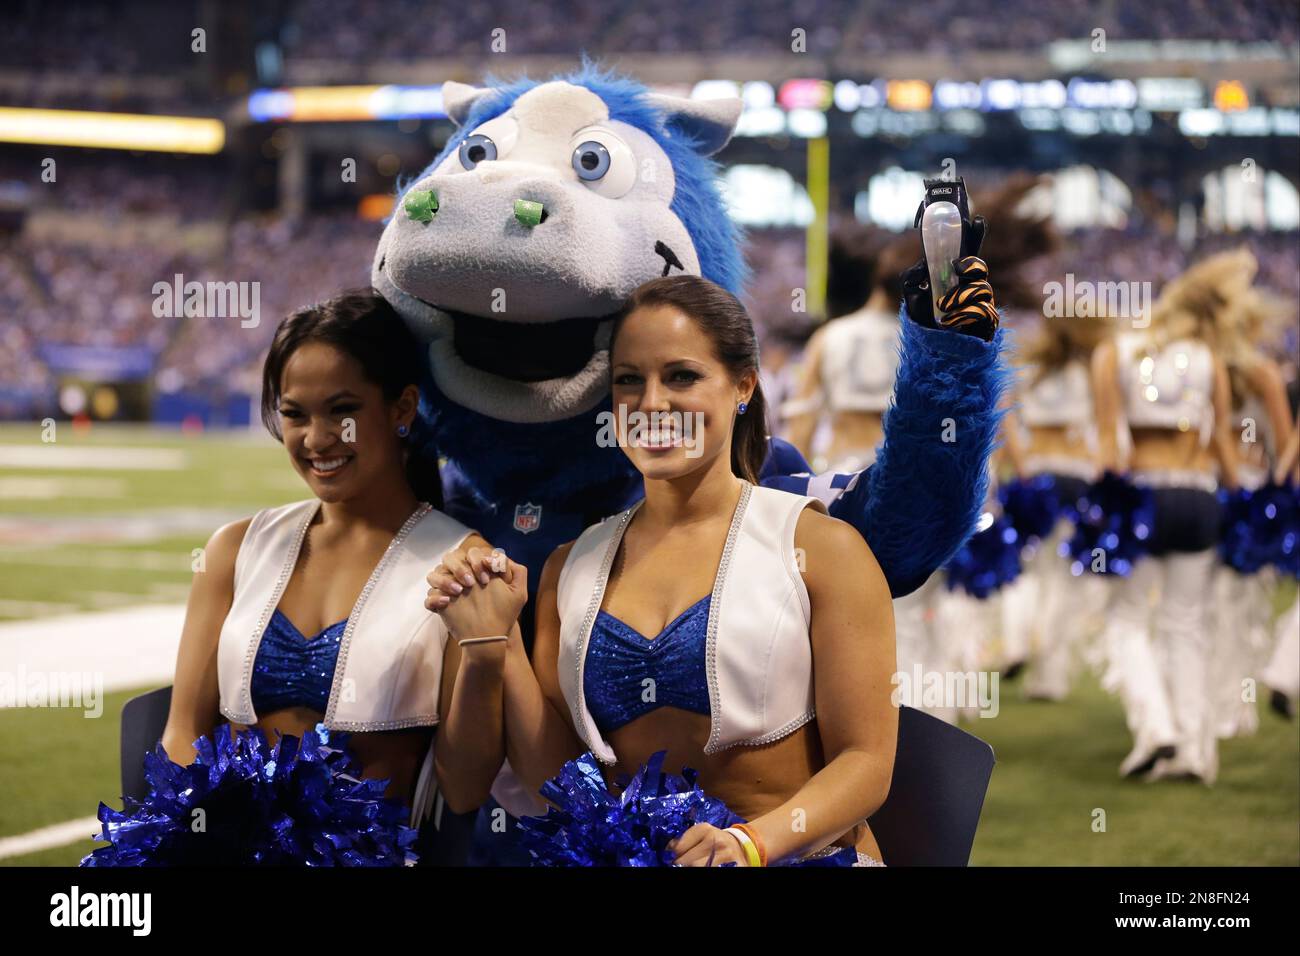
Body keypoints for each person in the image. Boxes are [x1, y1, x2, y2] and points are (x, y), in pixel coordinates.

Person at [427, 275, 898, 865]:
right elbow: (560, 777)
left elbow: (867, 763)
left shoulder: (821, 548)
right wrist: (499, 639)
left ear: (743, 385)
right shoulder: (569, 567)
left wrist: (748, 846)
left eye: (682, 376)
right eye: (629, 381)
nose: (652, 404)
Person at [159, 290, 505, 846]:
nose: (317, 439)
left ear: (401, 408)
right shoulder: (233, 550)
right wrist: (187, 838)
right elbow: (183, 733)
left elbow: (463, 789)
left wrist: (486, 652)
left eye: (343, 411)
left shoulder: (460, 564)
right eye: (295, 414)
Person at [1091, 252, 1241, 784]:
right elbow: (1223, 440)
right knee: (1186, 626)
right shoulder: (1208, 357)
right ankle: (1196, 753)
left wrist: (1102, 513)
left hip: (1144, 498)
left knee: (1127, 620)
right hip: (1199, 496)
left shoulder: (1115, 352)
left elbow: (1110, 444)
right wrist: (1245, 503)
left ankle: (1156, 729)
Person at [1001, 309, 1112, 700]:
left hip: (1036, 474)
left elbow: (1006, 420)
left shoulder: (1028, 373)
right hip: (1076, 477)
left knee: (1027, 570)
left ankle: (1017, 644)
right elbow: (1105, 428)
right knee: (1065, 578)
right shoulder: (1089, 373)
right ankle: (1046, 672)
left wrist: (1022, 465)